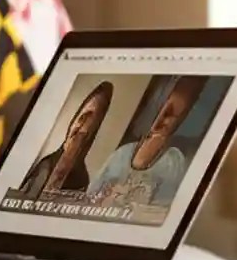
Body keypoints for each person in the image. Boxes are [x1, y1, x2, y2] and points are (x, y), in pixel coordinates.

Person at [88, 75, 206, 209]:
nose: (162, 120)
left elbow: (163, 210)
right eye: (162, 110)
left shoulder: (174, 162)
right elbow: (90, 197)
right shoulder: (122, 154)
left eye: (172, 116)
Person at [18, 81, 113, 198]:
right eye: (82, 117)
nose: (82, 128)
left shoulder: (82, 180)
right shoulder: (45, 163)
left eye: (92, 123)